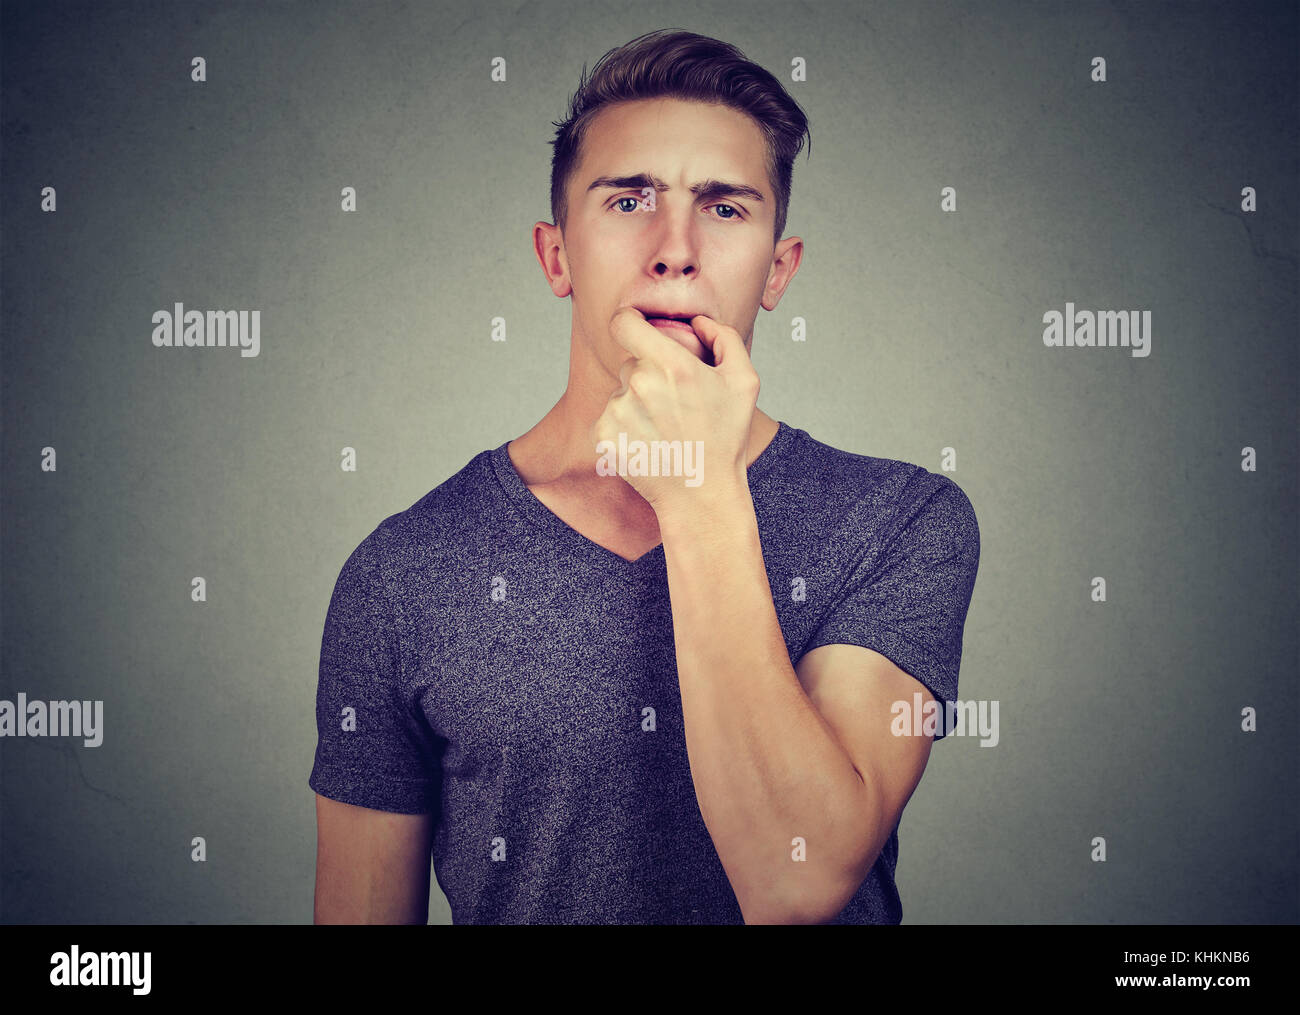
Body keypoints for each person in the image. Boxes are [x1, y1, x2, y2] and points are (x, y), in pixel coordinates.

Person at [310, 28, 980, 924]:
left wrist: (696, 483)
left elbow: (798, 877)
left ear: (778, 270)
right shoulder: (401, 573)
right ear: (557, 256)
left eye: (725, 207)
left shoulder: (899, 522)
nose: (675, 249)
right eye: (629, 201)